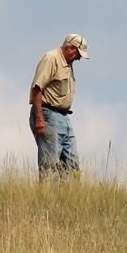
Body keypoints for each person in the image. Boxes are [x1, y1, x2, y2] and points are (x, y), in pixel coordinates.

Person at [29, 33, 89, 180]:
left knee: (72, 166)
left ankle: (69, 199)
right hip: (48, 114)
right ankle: (47, 198)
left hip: (64, 117)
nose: (79, 58)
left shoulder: (68, 64)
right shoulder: (51, 58)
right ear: (70, 48)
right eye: (78, 53)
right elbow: (37, 88)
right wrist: (39, 119)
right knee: (50, 166)